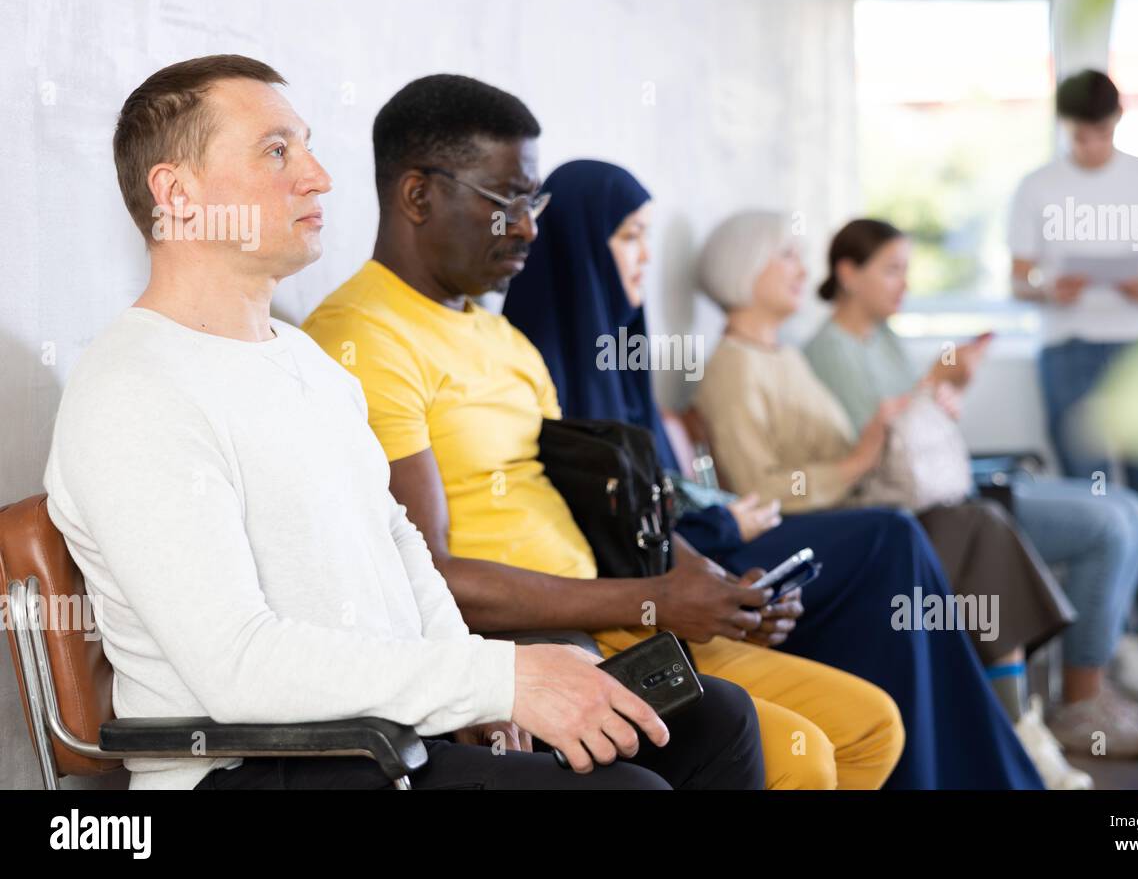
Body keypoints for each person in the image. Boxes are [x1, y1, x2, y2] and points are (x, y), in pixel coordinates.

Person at [45, 55, 766, 791]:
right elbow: (237, 665)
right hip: (264, 767)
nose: (318, 175)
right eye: (276, 150)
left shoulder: (302, 359)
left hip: (389, 733)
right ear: (178, 191)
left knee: (714, 722)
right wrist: (494, 677)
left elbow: (398, 540)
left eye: (307, 144)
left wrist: (483, 700)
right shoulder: (136, 388)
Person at [303, 75, 903, 789]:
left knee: (871, 725)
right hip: (534, 645)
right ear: (418, 195)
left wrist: (707, 583)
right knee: (798, 754)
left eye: (535, 202)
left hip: (618, 616)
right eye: (507, 202)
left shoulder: (501, 336)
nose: (527, 226)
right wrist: (650, 600)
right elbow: (429, 576)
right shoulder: (362, 339)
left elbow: (593, 499)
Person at [501, 158, 1056, 789]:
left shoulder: (627, 356)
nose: (646, 258)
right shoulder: (534, 361)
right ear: (579, 244)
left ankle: (991, 762)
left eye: (650, 238)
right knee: (899, 539)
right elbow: (612, 513)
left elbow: (653, 495)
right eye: (628, 237)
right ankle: (990, 763)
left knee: (923, 539)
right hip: (679, 556)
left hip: (695, 541)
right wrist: (723, 518)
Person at [690, 212, 1101, 768]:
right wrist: (861, 455)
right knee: (974, 529)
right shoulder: (734, 368)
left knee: (977, 528)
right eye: (785, 255)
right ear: (744, 267)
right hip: (825, 530)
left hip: (854, 513)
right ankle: (1014, 732)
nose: (801, 268)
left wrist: (896, 423)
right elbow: (758, 487)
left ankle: (1012, 732)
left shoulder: (781, 356)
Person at [805, 217, 1138, 760]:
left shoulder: (884, 338)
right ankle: (1080, 701)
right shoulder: (830, 350)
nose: (905, 285)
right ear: (847, 273)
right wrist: (935, 383)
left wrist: (945, 390)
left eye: (907, 271)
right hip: (917, 505)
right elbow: (874, 447)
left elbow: (916, 429)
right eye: (892, 270)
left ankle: (1097, 675)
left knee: (1132, 510)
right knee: (1108, 526)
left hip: (949, 488)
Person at [1009, 69, 1138, 630]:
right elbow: (1017, 280)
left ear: (1116, 122)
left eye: (1100, 132)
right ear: (1066, 127)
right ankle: (1101, 644)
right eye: (1080, 134)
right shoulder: (1037, 186)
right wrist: (1046, 289)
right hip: (1069, 349)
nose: (1090, 145)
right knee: (1092, 502)